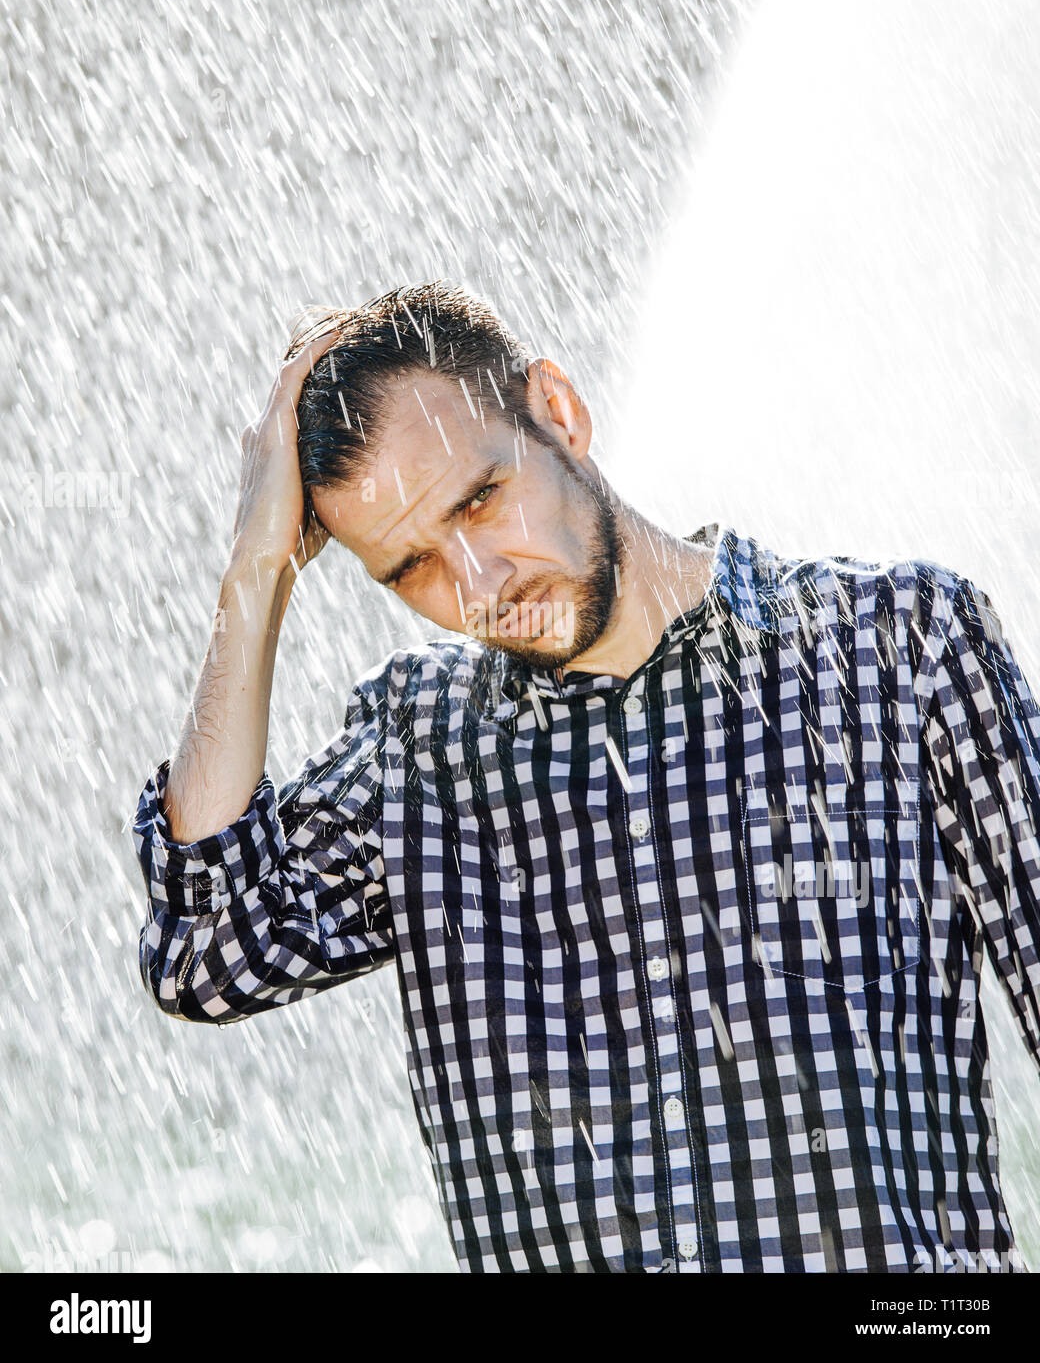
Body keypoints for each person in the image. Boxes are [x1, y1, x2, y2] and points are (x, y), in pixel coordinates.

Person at [132, 281, 1040, 1273]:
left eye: (479, 499)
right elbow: (202, 953)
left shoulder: (899, 646)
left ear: (557, 411)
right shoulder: (418, 752)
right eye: (413, 569)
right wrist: (255, 571)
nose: (481, 584)